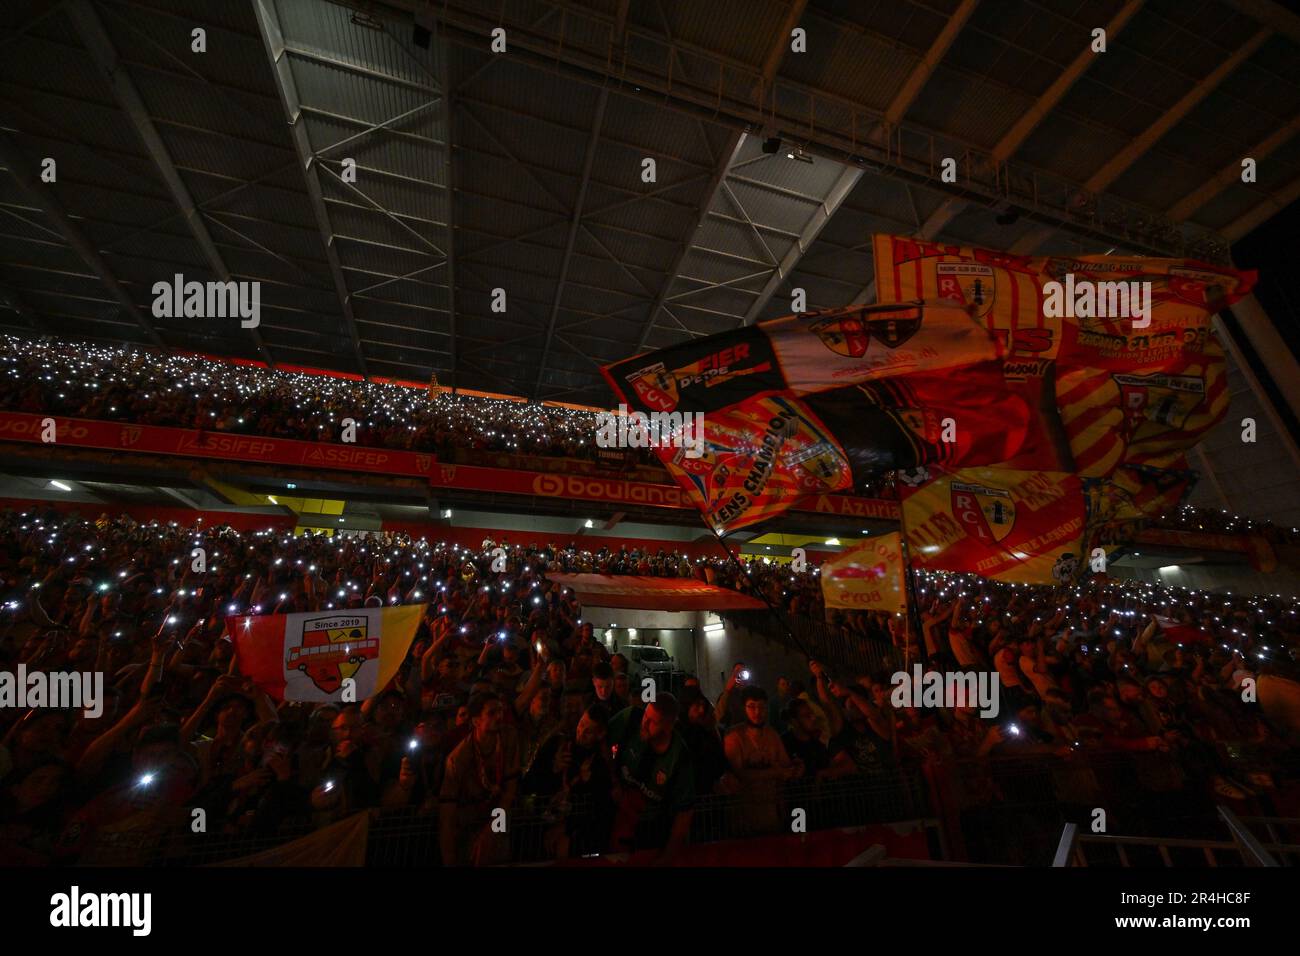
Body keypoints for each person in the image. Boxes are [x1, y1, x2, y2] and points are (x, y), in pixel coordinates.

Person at [606, 694, 695, 861]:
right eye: (646, 716)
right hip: (617, 821)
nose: (644, 724)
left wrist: (666, 859)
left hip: (653, 834)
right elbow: (605, 740)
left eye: (653, 722)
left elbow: (685, 812)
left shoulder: (679, 757)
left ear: (668, 727)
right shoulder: (631, 718)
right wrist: (613, 779)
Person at [439, 693, 520, 866]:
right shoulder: (458, 759)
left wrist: (492, 830)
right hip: (468, 820)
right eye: (492, 713)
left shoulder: (508, 737)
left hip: (498, 813)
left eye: (500, 711)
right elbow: (447, 815)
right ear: (476, 721)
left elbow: (510, 791)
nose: (499, 717)